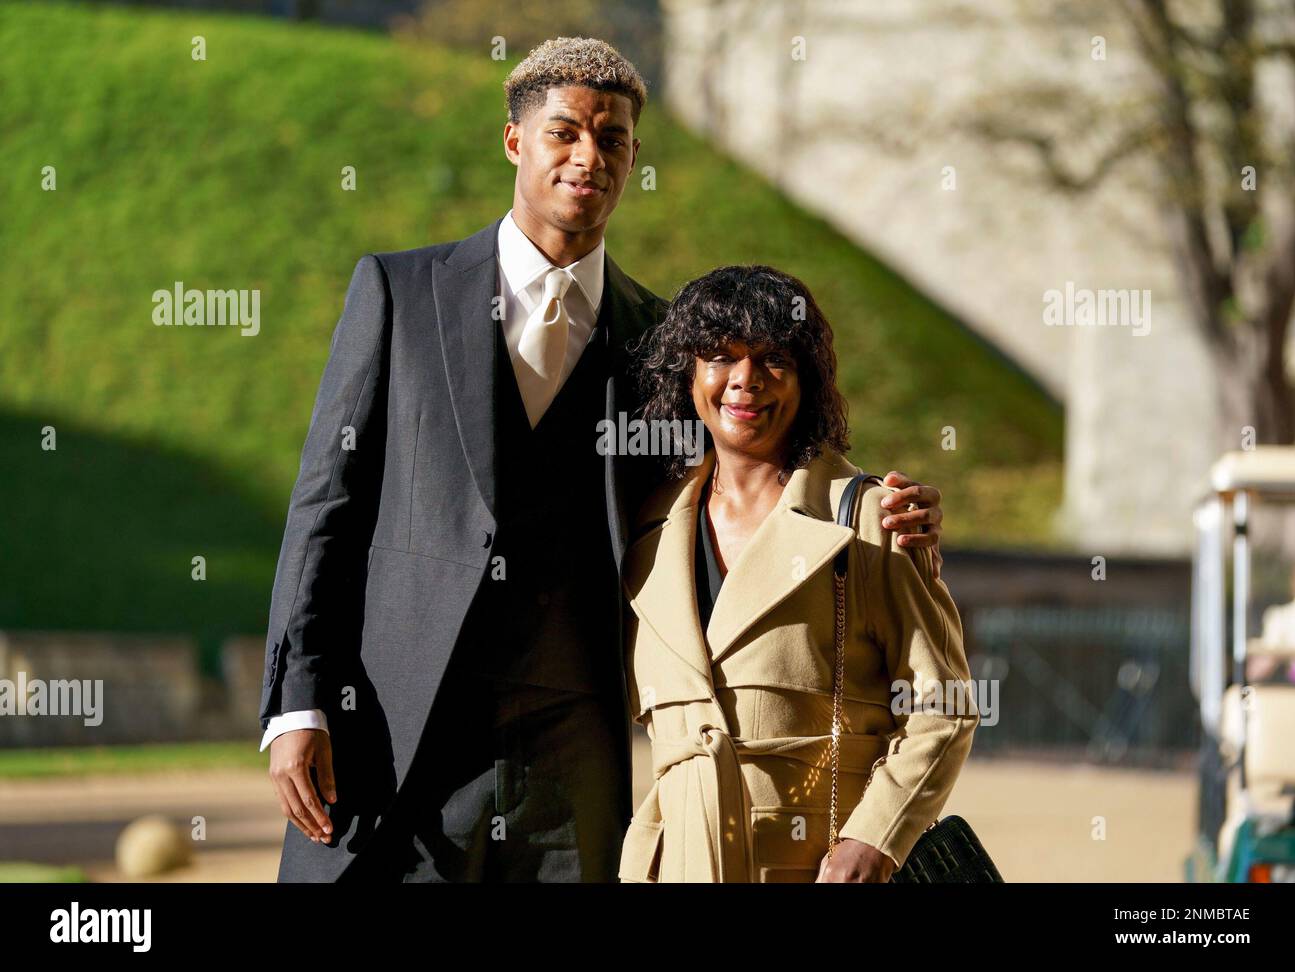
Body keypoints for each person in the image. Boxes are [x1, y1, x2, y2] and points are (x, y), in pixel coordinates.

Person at [259, 38, 947, 883]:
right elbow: (326, 505)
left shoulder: (665, 341)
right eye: (565, 133)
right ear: (516, 141)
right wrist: (299, 699)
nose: (589, 157)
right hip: (402, 728)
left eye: (613, 139)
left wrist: (880, 508)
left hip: (572, 749)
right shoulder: (401, 294)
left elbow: (754, 460)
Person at [618, 265, 975, 883]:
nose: (745, 382)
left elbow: (943, 704)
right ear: (689, 374)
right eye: (720, 356)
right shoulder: (645, 528)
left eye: (773, 359)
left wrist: (875, 839)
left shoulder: (870, 518)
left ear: (807, 379)